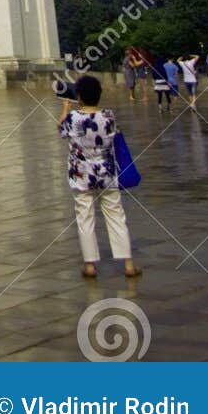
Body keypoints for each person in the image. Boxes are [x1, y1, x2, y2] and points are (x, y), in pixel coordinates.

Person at [58, 73, 141, 280]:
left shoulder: (73, 118)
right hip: (107, 174)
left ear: (79, 96)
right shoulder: (109, 116)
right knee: (116, 217)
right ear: (99, 95)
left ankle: (90, 265)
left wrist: (66, 109)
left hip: (81, 177)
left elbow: (61, 129)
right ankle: (128, 264)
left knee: (85, 218)